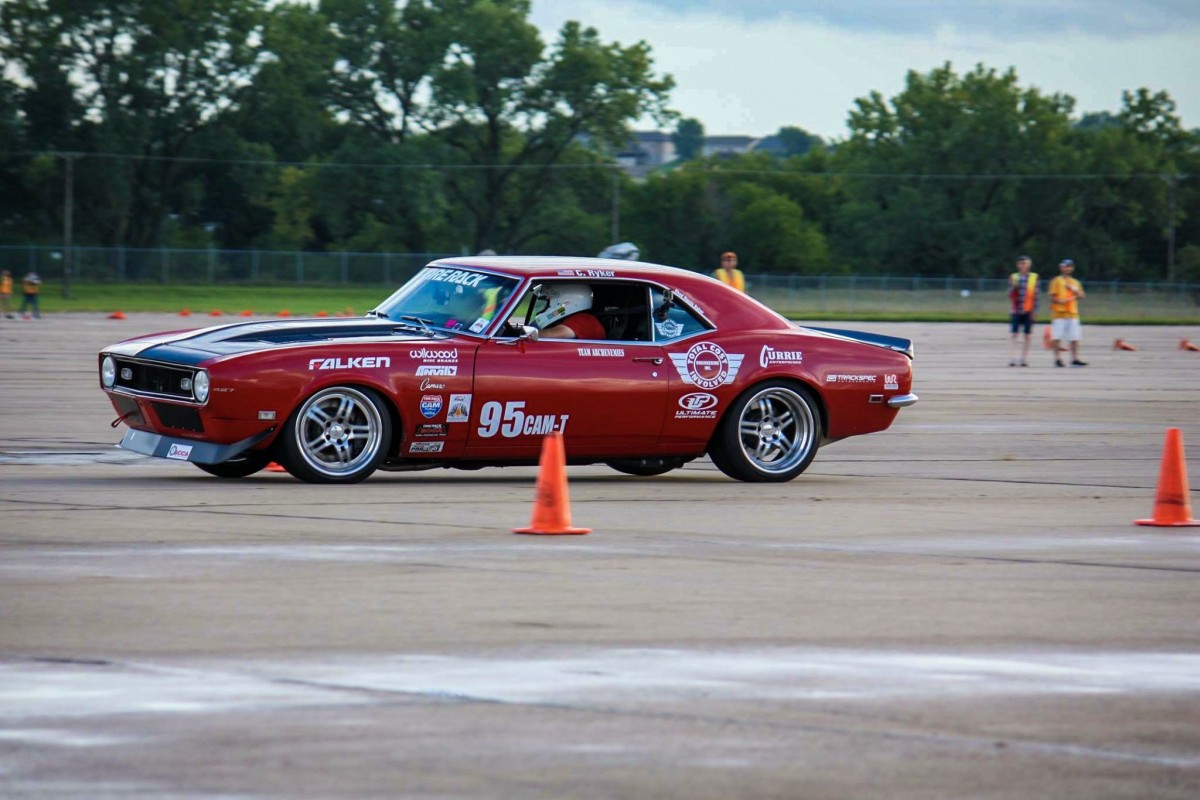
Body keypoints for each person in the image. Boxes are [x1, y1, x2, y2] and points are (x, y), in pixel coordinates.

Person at [526, 283, 605, 340]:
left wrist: (528, 334)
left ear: (565, 302)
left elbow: (562, 333)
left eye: (548, 301)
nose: (546, 306)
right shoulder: (566, 319)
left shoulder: (584, 319)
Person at [1048, 258, 1086, 367]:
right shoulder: (1056, 281)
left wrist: (1074, 289)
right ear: (1061, 268)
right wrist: (1059, 301)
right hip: (1059, 313)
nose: (1067, 269)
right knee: (1057, 337)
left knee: (1075, 337)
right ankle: (1057, 359)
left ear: (1072, 268)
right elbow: (1052, 296)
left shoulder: (1075, 282)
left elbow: (1082, 295)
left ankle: (1074, 359)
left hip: (1072, 313)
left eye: (1069, 266)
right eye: (1065, 266)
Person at [1007, 255, 1038, 366]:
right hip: (1016, 310)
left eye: (1025, 263)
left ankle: (1024, 358)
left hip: (1028, 310)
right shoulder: (1014, 277)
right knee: (1014, 334)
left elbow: (1036, 295)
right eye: (1021, 263)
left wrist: (1035, 310)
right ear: (1017, 265)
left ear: (1029, 265)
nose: (1023, 265)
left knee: (1027, 335)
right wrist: (1013, 288)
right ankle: (1012, 358)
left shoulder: (1034, 277)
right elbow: (1009, 294)